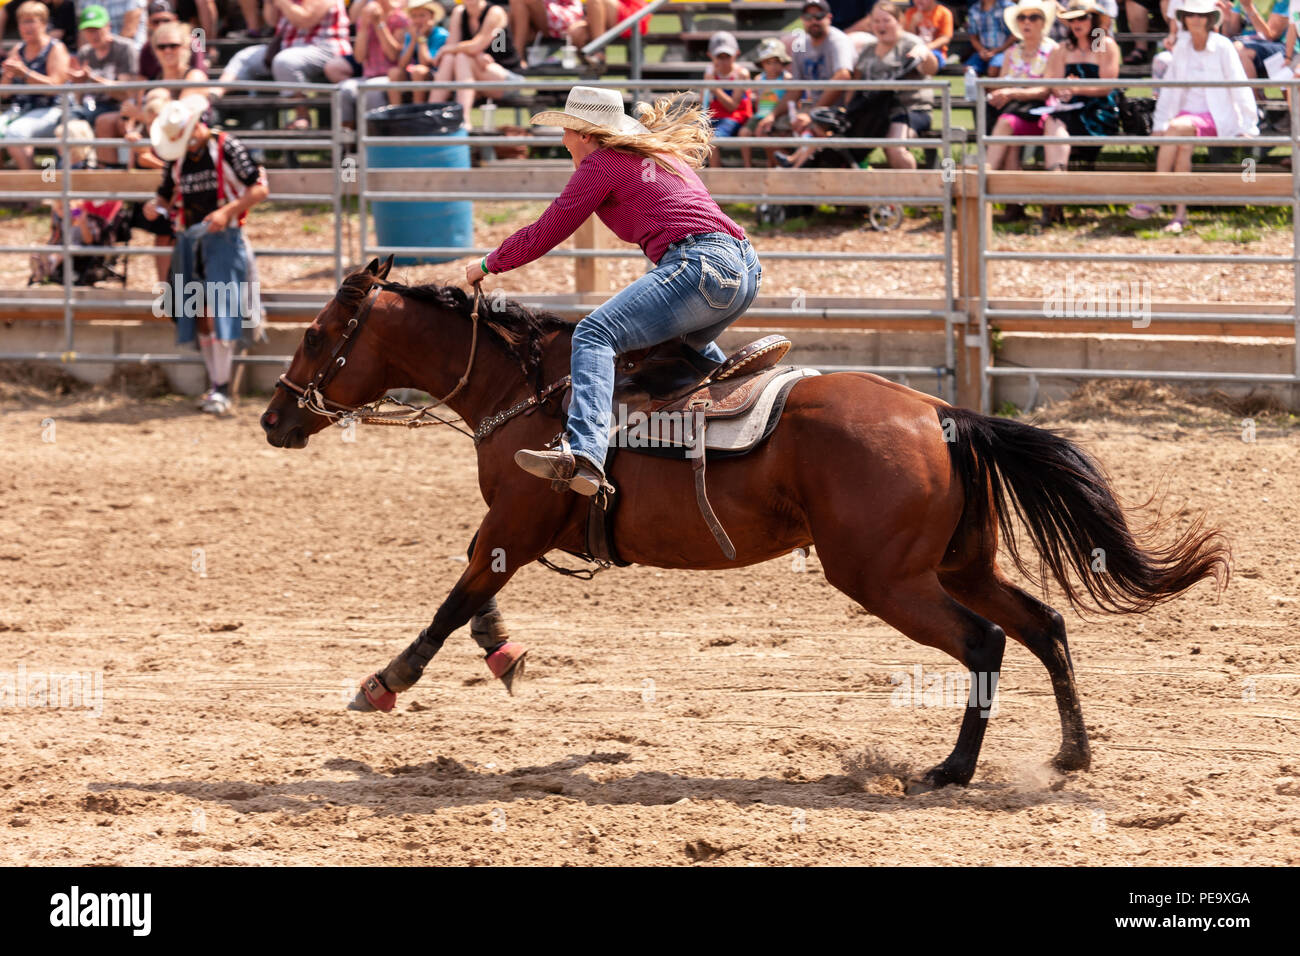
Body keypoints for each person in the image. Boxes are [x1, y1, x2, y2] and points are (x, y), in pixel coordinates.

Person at [465, 86, 760, 495]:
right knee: (680, 352)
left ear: (585, 133)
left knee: (594, 334)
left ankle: (585, 452)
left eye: (567, 130)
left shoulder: (601, 164)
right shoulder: (656, 156)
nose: (564, 140)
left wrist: (486, 264)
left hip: (701, 268)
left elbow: (545, 231)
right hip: (741, 270)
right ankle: (736, 407)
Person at [145, 95, 269, 414]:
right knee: (200, 310)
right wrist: (155, 206)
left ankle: (222, 386)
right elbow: (164, 193)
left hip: (225, 238)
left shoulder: (227, 146)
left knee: (219, 308)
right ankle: (217, 384)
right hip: (190, 238)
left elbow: (259, 187)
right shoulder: (178, 158)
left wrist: (226, 211)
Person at [1131, 0, 1256, 231]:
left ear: (1210, 19)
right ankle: (1180, 215)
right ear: (1185, 19)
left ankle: (1156, 194)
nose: (1195, 19)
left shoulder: (1223, 45)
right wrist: (1160, 122)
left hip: (1216, 116)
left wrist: (1248, 125)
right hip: (1185, 118)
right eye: (1191, 15)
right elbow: (1169, 88)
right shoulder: (1182, 46)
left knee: (1177, 129)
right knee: (1182, 145)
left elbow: (1239, 85)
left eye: (1201, 15)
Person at [1039, 0, 1120, 221]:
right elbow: (1053, 83)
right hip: (1068, 109)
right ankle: (1055, 194)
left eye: (1082, 18)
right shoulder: (1063, 49)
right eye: (1072, 19)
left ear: (1092, 20)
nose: (1077, 23)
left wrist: (1075, 88)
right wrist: (1062, 91)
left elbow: (1106, 87)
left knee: (1057, 124)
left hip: (1098, 112)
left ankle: (1053, 198)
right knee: (1054, 122)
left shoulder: (1103, 44)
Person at [219, 0, 352, 130]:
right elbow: (272, 21)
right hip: (288, 47)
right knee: (244, 57)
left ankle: (302, 115)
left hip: (326, 48)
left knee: (285, 61)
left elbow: (304, 20)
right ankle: (216, 91)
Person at [844, 0, 938, 169]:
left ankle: (914, 192)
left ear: (899, 21)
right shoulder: (868, 50)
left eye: (886, 20)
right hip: (875, 112)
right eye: (876, 21)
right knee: (838, 140)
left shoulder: (910, 43)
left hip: (910, 109)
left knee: (894, 147)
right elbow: (855, 83)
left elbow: (930, 69)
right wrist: (846, 110)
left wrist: (926, 54)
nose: (881, 25)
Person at [755, 0, 855, 145]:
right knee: (765, 129)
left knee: (812, 131)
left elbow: (843, 76)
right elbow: (796, 89)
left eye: (819, 16)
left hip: (840, 111)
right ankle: (786, 165)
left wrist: (812, 114)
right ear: (802, 20)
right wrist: (772, 115)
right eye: (808, 17)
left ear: (829, 17)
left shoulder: (838, 41)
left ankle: (797, 164)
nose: (814, 21)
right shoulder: (801, 45)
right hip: (813, 110)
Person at [0, 2, 69, 171]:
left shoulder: (56, 48)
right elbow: (4, 94)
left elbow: (56, 86)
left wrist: (24, 73)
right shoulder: (18, 49)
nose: (26, 27)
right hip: (20, 110)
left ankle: (33, 191)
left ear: (44, 23)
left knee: (16, 133)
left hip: (52, 110)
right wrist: (8, 75)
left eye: (31, 21)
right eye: (22, 22)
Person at [69, 4, 140, 168]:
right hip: (90, 108)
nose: (93, 35)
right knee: (68, 125)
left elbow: (127, 93)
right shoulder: (85, 53)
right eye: (89, 30)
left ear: (108, 26)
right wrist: (78, 83)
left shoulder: (125, 48)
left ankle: (107, 175)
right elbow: (79, 99)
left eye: (97, 29)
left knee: (103, 121)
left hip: (119, 108)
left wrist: (94, 79)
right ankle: (80, 177)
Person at [428, 0, 522, 121]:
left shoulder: (495, 12)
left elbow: (476, 45)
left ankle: (463, 119)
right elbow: (456, 47)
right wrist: (475, 54)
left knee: (461, 57)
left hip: (507, 79)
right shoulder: (459, 12)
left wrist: (449, 50)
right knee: (449, 58)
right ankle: (431, 113)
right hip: (475, 76)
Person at [328, 0, 407, 123]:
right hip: (368, 76)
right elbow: (359, 57)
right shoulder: (364, 20)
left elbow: (392, 56)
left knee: (371, 90)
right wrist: (364, 25)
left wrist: (379, 24)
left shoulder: (400, 19)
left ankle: (373, 137)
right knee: (343, 90)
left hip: (392, 76)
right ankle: (347, 138)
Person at [738, 36, 792, 167]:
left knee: (763, 134)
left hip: (779, 115)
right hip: (761, 115)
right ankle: (747, 166)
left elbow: (790, 99)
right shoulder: (759, 79)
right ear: (762, 63)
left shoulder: (786, 78)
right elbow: (756, 100)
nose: (773, 66)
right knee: (744, 133)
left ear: (782, 62)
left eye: (776, 62)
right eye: (768, 62)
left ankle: (775, 163)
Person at [702, 30, 751, 167]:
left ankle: (715, 172)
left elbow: (733, 106)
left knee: (711, 138)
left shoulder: (740, 74)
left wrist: (714, 87)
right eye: (719, 57)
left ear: (736, 54)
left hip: (735, 117)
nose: (723, 61)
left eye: (727, 56)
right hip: (716, 117)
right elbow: (703, 104)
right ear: (711, 56)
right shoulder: (710, 73)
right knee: (689, 134)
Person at [386, 0, 447, 104]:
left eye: (422, 15)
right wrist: (414, 40)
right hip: (415, 75)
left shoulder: (441, 35)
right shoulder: (410, 35)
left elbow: (427, 63)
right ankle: (395, 111)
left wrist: (421, 38)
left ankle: (417, 109)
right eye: (414, 16)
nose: (418, 20)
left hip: (437, 76)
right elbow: (402, 65)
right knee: (394, 72)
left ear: (432, 17)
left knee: (418, 71)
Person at [138, 1, 209, 80]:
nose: (161, 25)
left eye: (166, 20)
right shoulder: (147, 47)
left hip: (189, 86)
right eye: (161, 47)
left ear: (175, 19)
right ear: (149, 23)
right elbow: (143, 79)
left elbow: (200, 75)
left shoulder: (194, 42)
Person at [967, 0, 1016, 76]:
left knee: (994, 69)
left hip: (1006, 50)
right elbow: (973, 36)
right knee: (969, 70)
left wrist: (998, 50)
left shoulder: (1009, 7)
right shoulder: (974, 9)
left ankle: (993, 87)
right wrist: (982, 50)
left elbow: (1015, 35)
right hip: (984, 51)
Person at [902, 0, 954, 69]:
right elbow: (907, 37)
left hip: (935, 51)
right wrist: (912, 24)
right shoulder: (910, 12)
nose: (919, 1)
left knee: (926, 59)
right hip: (913, 50)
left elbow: (945, 38)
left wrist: (926, 48)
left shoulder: (944, 12)